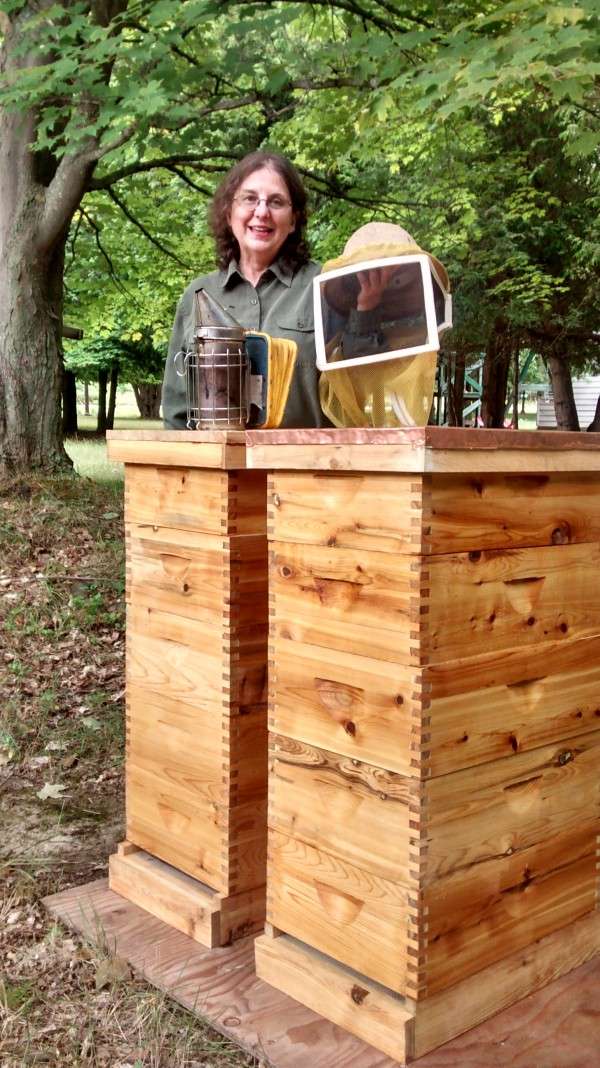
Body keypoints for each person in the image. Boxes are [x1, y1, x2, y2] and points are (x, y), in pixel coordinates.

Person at [162, 150, 332, 429]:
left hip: (305, 468)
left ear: (293, 220)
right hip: (216, 469)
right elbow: (177, 415)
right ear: (229, 213)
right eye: (250, 198)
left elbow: (355, 392)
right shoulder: (198, 294)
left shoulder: (326, 285)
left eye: (276, 202)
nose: (262, 212)